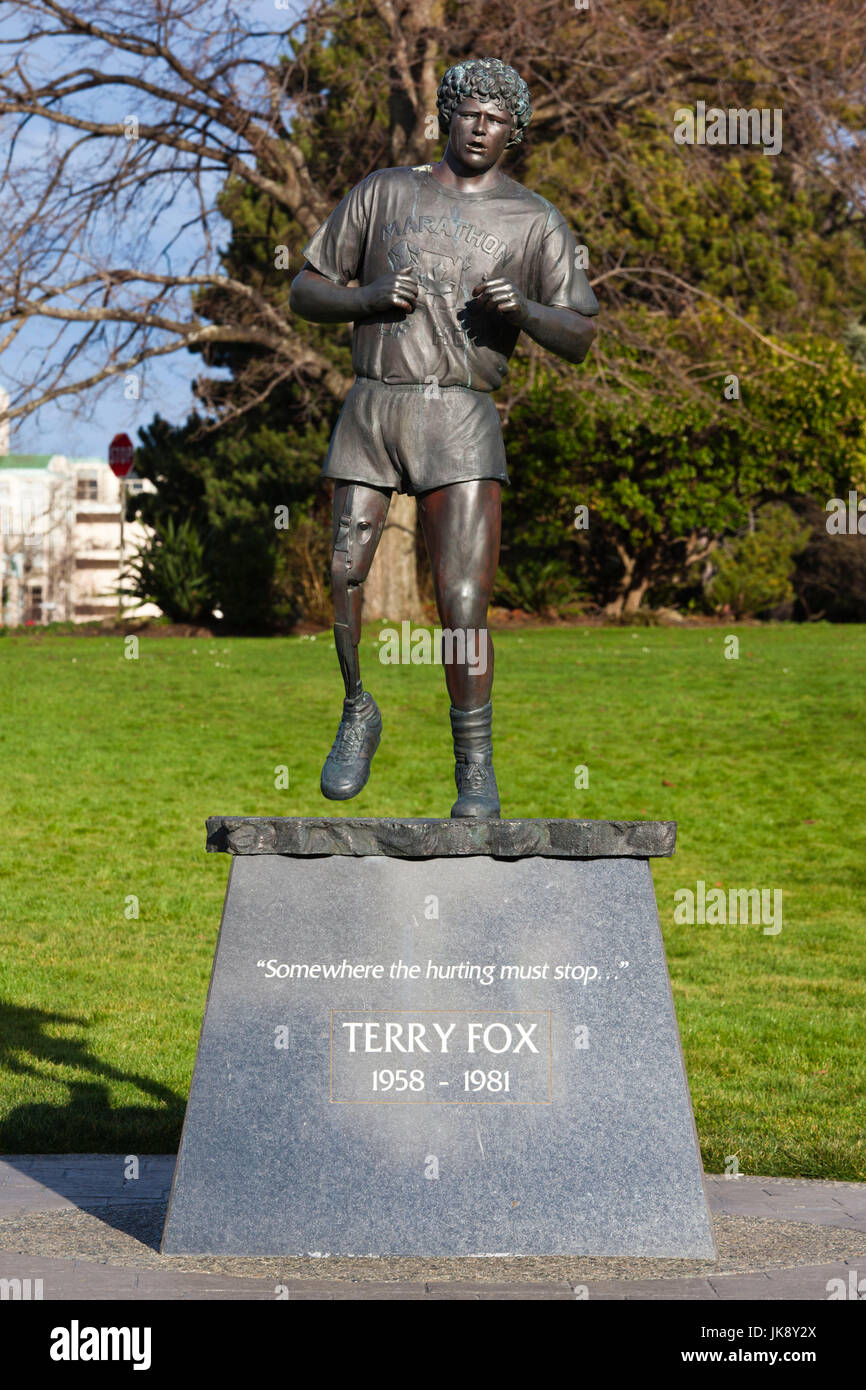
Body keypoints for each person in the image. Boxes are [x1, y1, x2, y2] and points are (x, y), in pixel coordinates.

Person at [290, 56, 598, 818]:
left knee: (461, 602)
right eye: (469, 114)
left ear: (513, 133)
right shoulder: (385, 191)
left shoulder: (535, 220)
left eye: (496, 120)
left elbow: (582, 332)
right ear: (448, 116)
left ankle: (476, 769)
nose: (480, 129)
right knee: (342, 573)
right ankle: (358, 705)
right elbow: (304, 288)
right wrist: (362, 297)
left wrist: (523, 310)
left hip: (461, 419)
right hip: (375, 404)